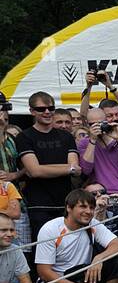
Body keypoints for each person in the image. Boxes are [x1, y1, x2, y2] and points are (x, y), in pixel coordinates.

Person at [35, 189, 118, 283]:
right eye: (83, 207)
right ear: (69, 208)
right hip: (58, 281)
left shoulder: (92, 224)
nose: (88, 211)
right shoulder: (50, 229)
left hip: (84, 274)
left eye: (91, 207)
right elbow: (44, 272)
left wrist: (99, 258)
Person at [16, 92, 80, 243]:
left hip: (66, 203)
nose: (47, 112)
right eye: (41, 109)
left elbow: (76, 169)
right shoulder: (24, 137)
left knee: (69, 246)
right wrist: (67, 168)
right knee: (44, 247)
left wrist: (44, 168)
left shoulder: (66, 136)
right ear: (32, 111)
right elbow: (34, 171)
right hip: (39, 205)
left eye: (51, 108)